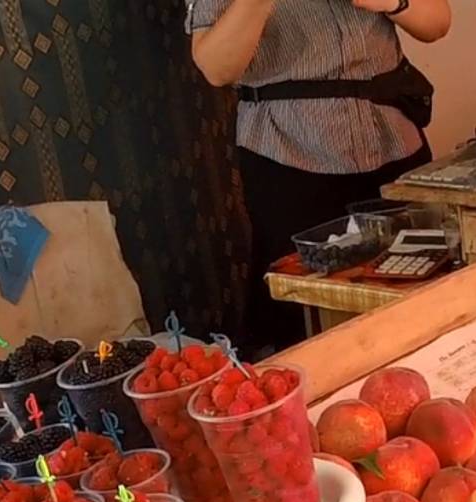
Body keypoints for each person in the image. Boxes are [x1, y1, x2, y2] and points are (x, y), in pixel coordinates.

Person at [189, 0, 453, 350]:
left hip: (393, 140)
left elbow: (437, 22)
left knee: (424, 286)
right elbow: (216, 69)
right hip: (289, 154)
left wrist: (392, 3)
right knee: (311, 315)